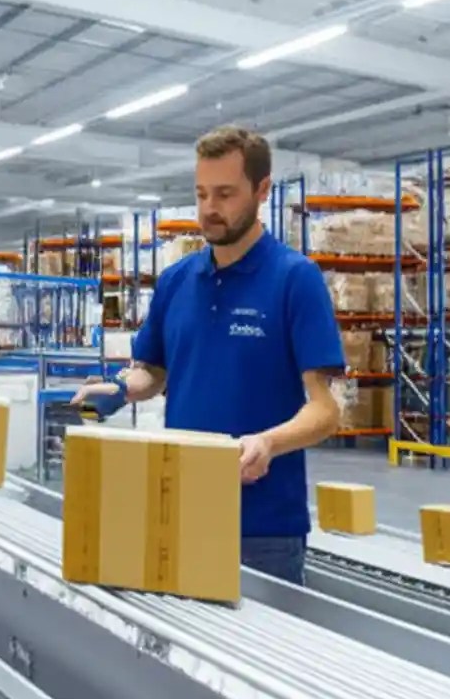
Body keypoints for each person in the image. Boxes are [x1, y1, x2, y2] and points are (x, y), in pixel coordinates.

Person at [72, 125, 344, 585]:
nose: (209, 209)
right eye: (201, 194)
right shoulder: (176, 280)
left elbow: (325, 409)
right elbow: (153, 373)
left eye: (225, 194)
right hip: (179, 508)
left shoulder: (295, 279)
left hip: (262, 527)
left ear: (262, 190)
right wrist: (117, 389)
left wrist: (268, 443)